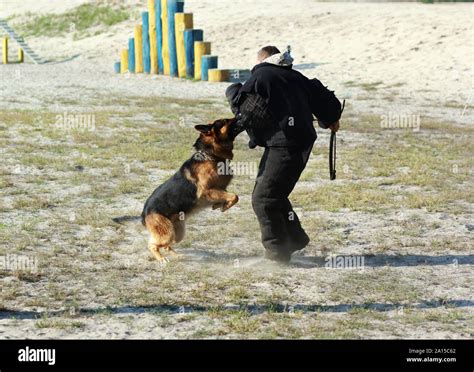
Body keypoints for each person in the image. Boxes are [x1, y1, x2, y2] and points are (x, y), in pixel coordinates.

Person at [226, 46, 342, 264]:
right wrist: (330, 120)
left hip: (285, 145)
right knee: (273, 193)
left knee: (264, 199)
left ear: (262, 60)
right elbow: (326, 103)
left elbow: (244, 109)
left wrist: (232, 91)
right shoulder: (296, 76)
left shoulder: (261, 75)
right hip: (298, 142)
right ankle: (295, 238)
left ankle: (277, 256)